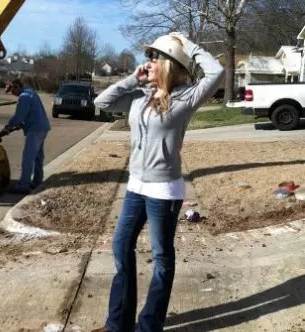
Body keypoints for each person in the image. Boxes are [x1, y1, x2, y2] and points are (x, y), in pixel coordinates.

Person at [92, 32, 224, 332]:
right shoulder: (139, 96)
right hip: (136, 186)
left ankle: (149, 326)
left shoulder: (186, 97)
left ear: (169, 65)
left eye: (154, 57)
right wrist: (131, 79)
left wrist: (186, 44)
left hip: (165, 190)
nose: (148, 62)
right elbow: (102, 101)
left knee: (162, 258)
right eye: (147, 57)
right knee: (121, 247)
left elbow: (217, 72)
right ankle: (118, 324)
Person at [0, 78, 51, 194]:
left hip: (35, 129)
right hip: (42, 127)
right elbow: (30, 114)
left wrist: (7, 127)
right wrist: (22, 125)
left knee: (28, 158)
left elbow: (18, 117)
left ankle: (23, 185)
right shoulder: (31, 92)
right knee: (38, 157)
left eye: (11, 90)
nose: (12, 93)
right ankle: (37, 182)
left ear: (16, 86)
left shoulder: (24, 97)